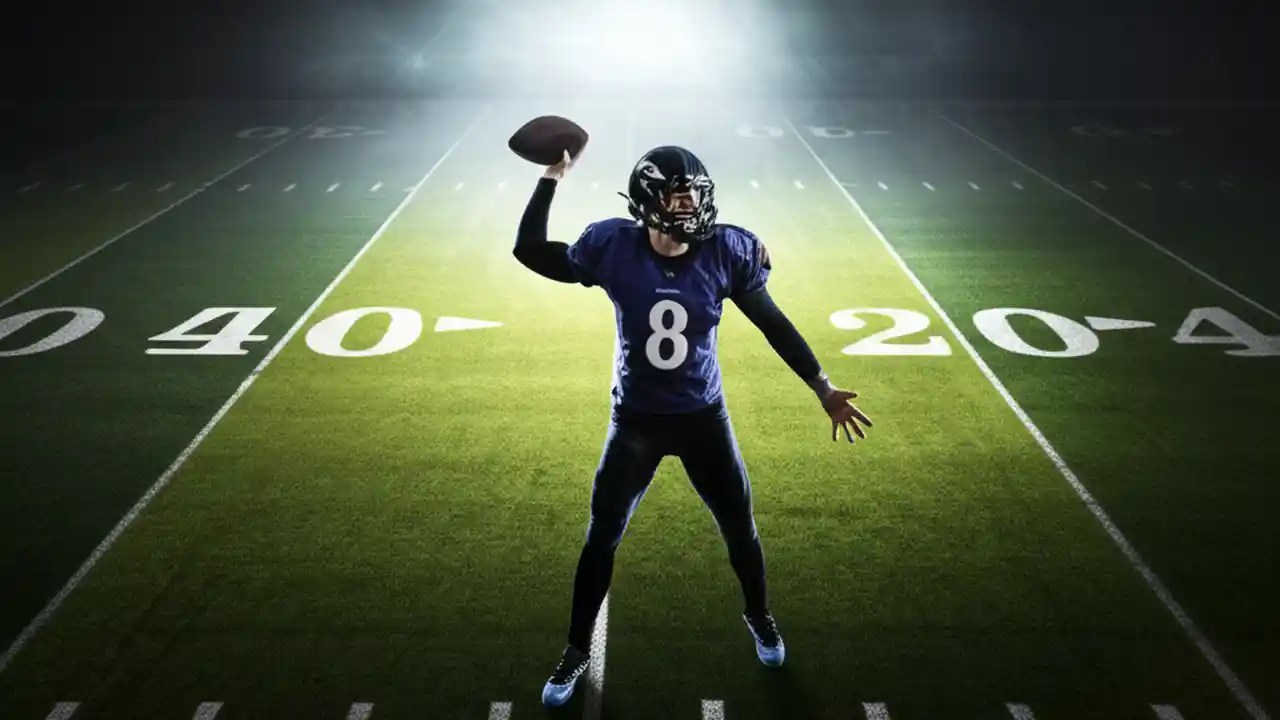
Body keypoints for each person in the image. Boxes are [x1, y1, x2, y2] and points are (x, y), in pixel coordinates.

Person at [513, 145, 873, 707]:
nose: (689, 208)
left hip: (704, 418)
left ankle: (759, 615)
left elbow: (772, 323)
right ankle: (576, 648)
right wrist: (550, 179)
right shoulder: (613, 246)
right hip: (635, 420)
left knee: (739, 527)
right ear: (648, 202)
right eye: (677, 197)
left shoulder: (726, 250)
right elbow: (530, 250)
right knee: (601, 537)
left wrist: (822, 387)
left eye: (695, 196)